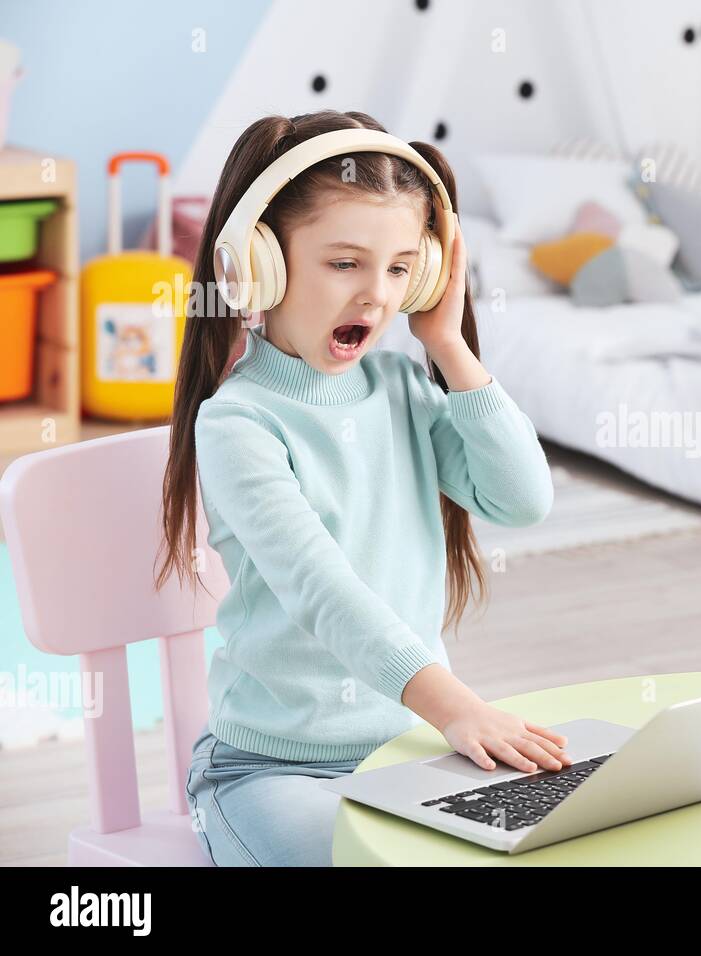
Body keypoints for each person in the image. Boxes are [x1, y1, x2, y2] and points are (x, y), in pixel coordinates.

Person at [154, 109, 568, 865]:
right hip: (273, 770)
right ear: (258, 266)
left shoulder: (404, 388)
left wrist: (447, 343)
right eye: (345, 264)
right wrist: (458, 707)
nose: (376, 296)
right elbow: (325, 591)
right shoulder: (238, 425)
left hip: (408, 750)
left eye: (403, 268)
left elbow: (521, 497)